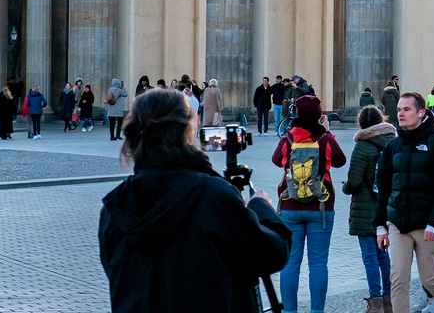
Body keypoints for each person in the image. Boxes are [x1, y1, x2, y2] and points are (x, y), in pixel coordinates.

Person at [99, 88, 291, 313]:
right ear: (187, 132)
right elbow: (273, 254)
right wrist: (261, 206)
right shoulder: (214, 195)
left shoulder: (115, 207)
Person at [374, 92, 434, 313]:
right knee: (398, 279)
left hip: (427, 224)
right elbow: (383, 189)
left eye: (406, 110)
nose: (401, 114)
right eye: (399, 110)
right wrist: (380, 226)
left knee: (430, 279)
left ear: (421, 113)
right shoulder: (393, 147)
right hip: (398, 223)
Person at [271, 94, 346, 313]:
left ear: (298, 113)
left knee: (291, 263)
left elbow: (276, 161)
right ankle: (316, 311)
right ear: (318, 115)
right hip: (321, 207)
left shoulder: (287, 139)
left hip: (290, 206)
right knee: (318, 264)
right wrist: (328, 131)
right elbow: (341, 161)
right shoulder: (326, 140)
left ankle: (289, 311)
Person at [342, 104, 396, 313]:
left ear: (361, 124)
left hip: (365, 209)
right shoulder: (393, 142)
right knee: (383, 256)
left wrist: (345, 187)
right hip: (387, 207)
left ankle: (376, 304)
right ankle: (389, 301)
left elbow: (354, 182)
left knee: (370, 258)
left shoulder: (363, 146)